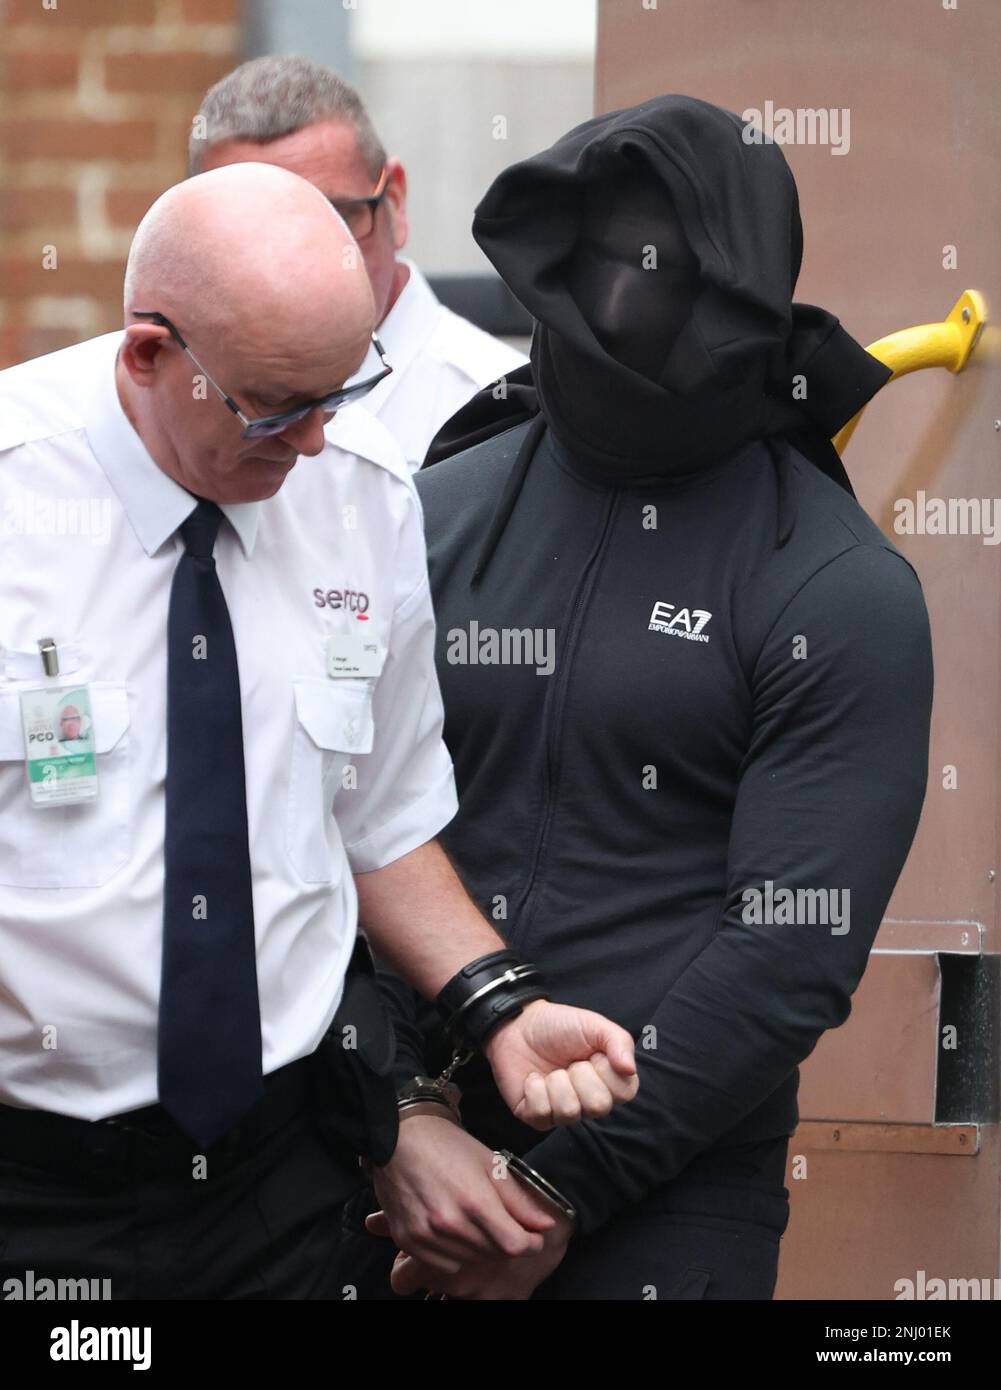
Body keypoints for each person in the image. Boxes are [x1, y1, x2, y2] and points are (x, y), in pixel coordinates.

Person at [0, 161, 638, 1300]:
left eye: (338, 395)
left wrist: (499, 1005)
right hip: (37, 1185)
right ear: (150, 355)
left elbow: (378, 815)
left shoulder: (362, 495)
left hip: (277, 1173)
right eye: (272, 407)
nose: (307, 447)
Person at [343, 94, 934, 1300]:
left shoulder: (831, 583)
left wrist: (560, 1190)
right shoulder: (428, 515)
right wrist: (397, 1111)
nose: (622, 301)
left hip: (666, 1202)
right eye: (599, 266)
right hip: (378, 1165)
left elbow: (788, 949)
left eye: (659, 275)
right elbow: (328, 828)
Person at [190, 55, 527, 472]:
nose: (296, 265)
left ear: (395, 203)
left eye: (335, 217)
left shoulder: (503, 415)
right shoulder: (174, 398)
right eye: (251, 232)